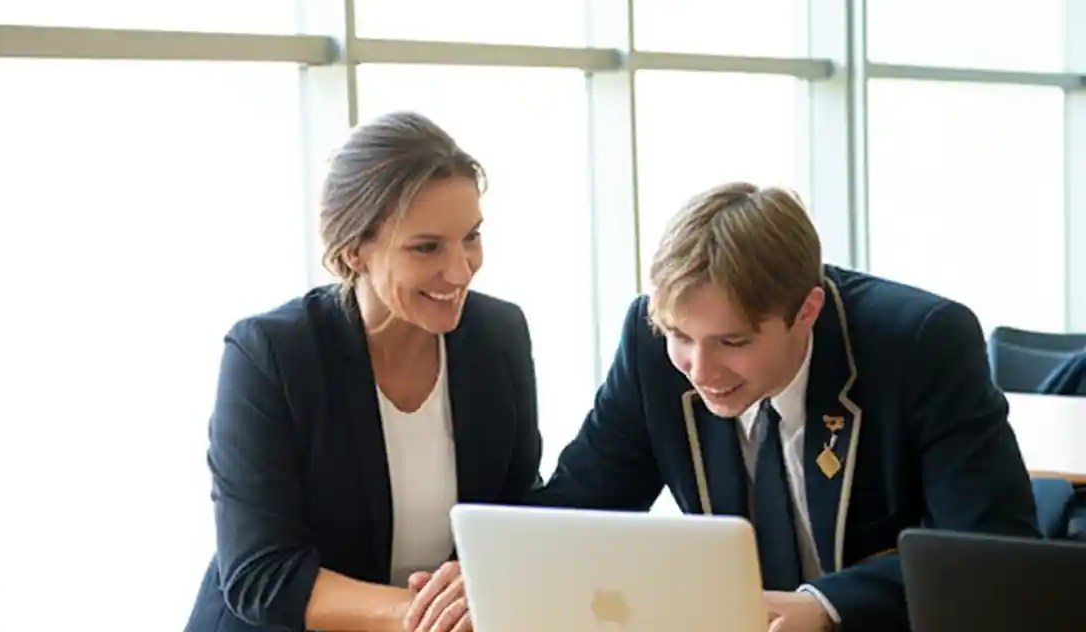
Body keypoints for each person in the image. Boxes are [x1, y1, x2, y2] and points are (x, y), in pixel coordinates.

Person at [407, 182, 1039, 632]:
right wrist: (496, 570)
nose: (702, 373)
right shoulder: (652, 341)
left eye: (733, 343)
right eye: (682, 337)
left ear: (808, 311)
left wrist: (825, 606)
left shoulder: (923, 343)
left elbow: (988, 550)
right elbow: (585, 496)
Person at [184, 111, 542, 632]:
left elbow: (513, 511)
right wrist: (429, 615)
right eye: (427, 247)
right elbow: (261, 573)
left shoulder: (498, 335)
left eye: (471, 237)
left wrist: (481, 584)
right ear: (354, 250)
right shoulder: (270, 355)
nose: (461, 269)